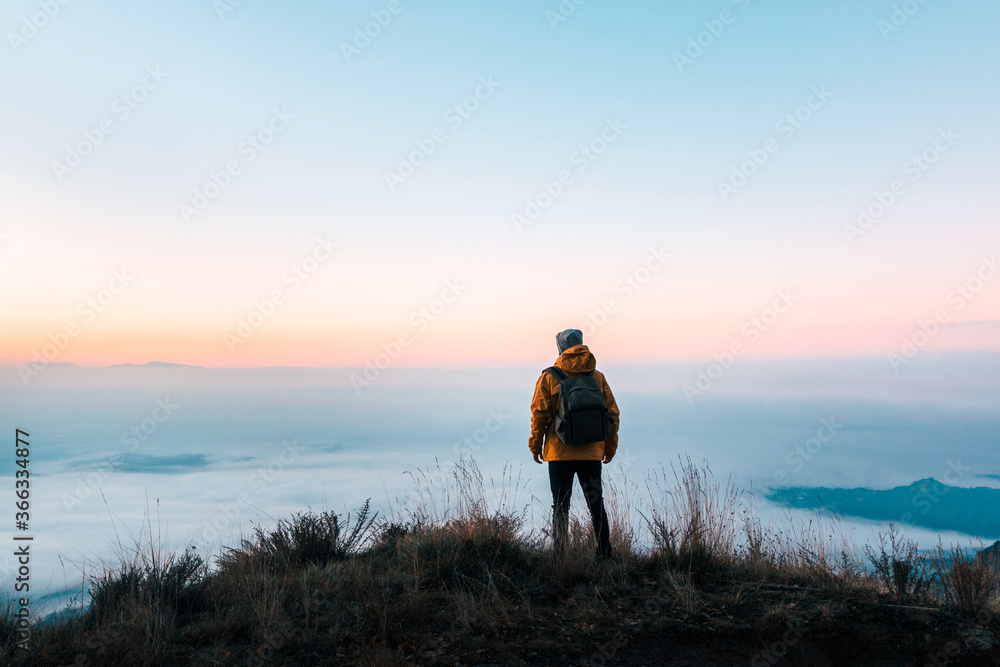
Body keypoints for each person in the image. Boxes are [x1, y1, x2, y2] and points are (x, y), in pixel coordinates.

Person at [529, 328, 620, 559]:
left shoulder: (550, 376)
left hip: (560, 454)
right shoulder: (597, 377)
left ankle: (560, 557)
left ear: (560, 348)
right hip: (591, 453)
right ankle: (604, 554)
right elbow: (612, 414)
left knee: (560, 506)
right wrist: (609, 448)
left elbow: (539, 414)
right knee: (596, 504)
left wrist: (535, 445)